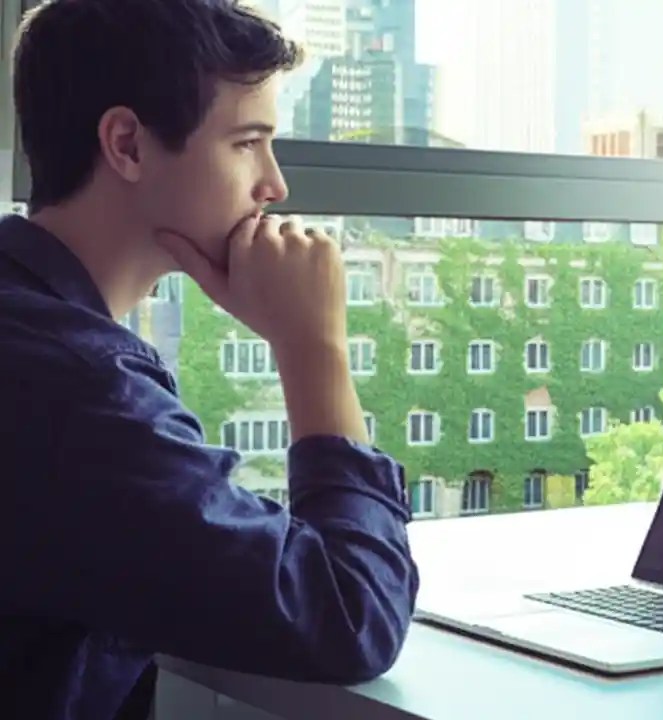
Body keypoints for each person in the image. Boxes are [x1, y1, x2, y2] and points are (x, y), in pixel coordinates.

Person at [0, 1, 420, 718]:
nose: (274, 186)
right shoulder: (75, 387)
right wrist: (312, 347)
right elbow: (351, 615)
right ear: (127, 144)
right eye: (247, 142)